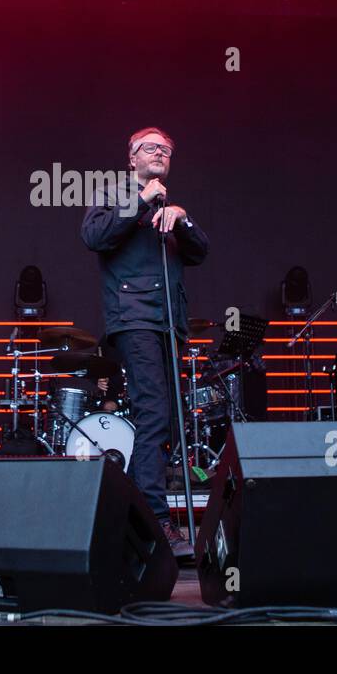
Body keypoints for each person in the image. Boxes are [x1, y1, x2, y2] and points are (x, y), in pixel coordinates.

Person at [81, 127, 209, 559]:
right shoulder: (113, 194)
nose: (160, 153)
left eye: (167, 150)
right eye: (150, 148)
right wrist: (139, 200)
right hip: (134, 320)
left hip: (168, 324)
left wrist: (182, 216)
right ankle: (153, 522)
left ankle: (133, 520)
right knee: (153, 412)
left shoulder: (169, 209)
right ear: (131, 158)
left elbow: (200, 251)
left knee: (166, 421)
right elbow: (94, 237)